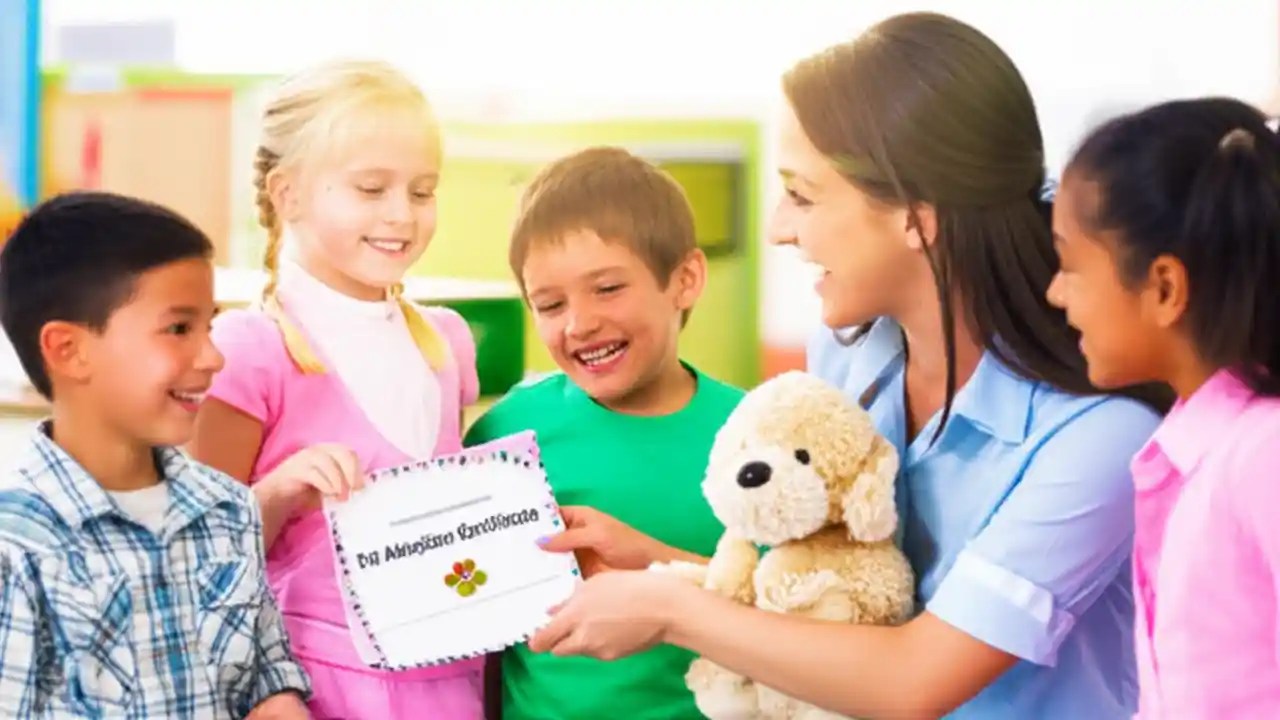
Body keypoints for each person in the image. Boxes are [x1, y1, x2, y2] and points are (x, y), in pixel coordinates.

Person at [524, 12, 1172, 719]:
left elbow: (915, 677)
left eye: (802, 195)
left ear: (915, 217)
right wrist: (660, 566)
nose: (779, 227)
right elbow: (844, 611)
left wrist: (671, 611)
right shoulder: (850, 353)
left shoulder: (1098, 439)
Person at [188, 60, 483, 719]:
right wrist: (279, 492)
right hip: (311, 691)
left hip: (448, 678)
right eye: (371, 188)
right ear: (288, 194)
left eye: (423, 190)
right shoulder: (250, 349)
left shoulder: (446, 342)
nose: (401, 215)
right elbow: (196, 561)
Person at [0, 191, 311, 718]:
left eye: (208, 326)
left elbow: (267, 680)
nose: (213, 356)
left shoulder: (229, 509)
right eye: (179, 329)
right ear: (69, 350)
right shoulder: (17, 544)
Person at [464, 146, 744, 719]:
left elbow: (791, 617)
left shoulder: (756, 437)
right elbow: (480, 640)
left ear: (685, 279)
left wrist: (657, 563)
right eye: (549, 303)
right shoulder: (507, 435)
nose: (579, 323)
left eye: (608, 288)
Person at [1046, 97, 1280, 718]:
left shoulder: (1262, 454)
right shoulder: (1191, 448)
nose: (1055, 292)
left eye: (1070, 265)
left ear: (1165, 287)